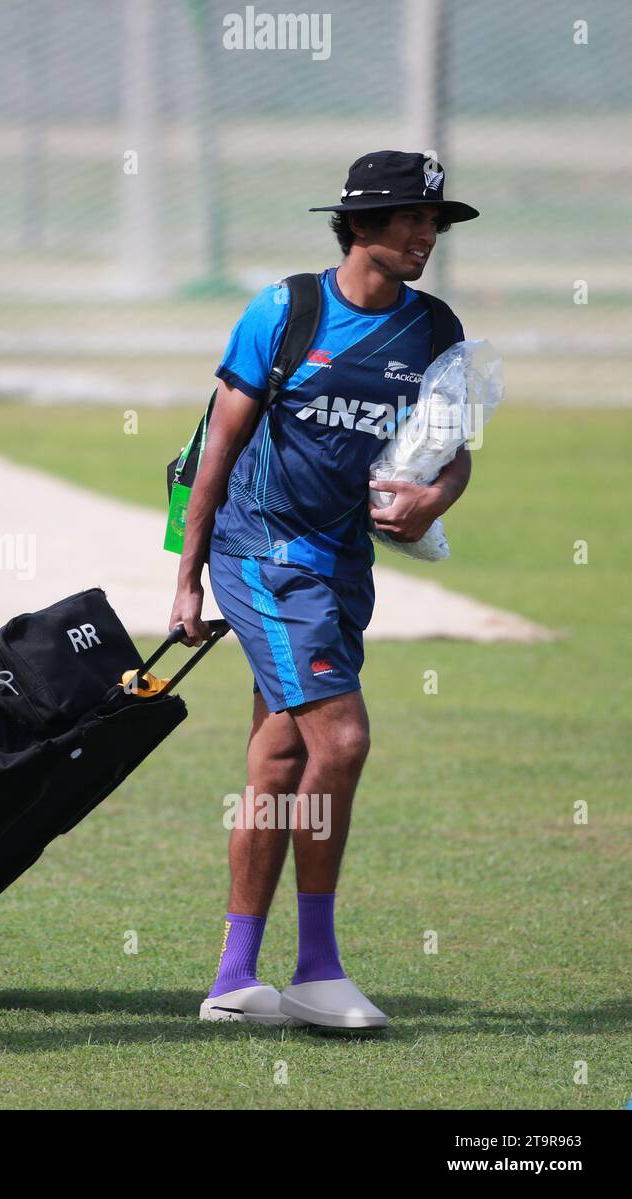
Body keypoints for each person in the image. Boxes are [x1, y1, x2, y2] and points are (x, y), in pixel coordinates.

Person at [169, 151, 477, 1029]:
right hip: (262, 552)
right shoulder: (287, 311)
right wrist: (187, 580)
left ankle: (234, 980)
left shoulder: (434, 329)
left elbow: (454, 450)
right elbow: (216, 450)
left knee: (280, 757)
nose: (427, 235)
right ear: (360, 226)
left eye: (434, 222)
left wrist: (432, 500)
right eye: (412, 218)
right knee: (340, 741)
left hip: (343, 563)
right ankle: (318, 967)